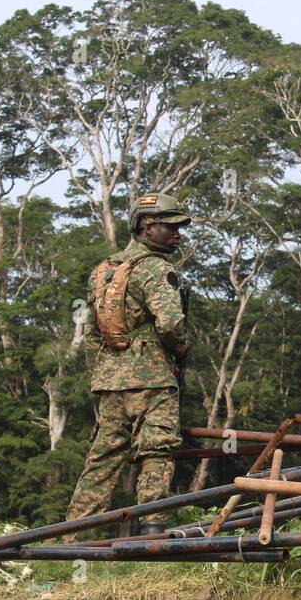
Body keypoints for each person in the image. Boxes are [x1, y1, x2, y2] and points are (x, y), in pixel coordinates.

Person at [65, 194, 192, 525]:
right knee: (157, 451)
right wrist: (181, 349)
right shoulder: (156, 268)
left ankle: (73, 539)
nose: (178, 234)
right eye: (171, 227)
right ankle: (151, 533)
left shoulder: (103, 270)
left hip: (110, 382)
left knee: (102, 460)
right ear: (148, 229)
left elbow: (93, 333)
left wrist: (106, 371)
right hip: (154, 381)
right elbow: (169, 322)